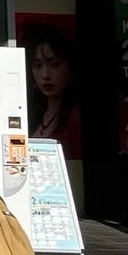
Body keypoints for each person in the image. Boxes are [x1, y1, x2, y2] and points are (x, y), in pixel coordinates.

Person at [23, 24, 81, 159]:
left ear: (70, 67)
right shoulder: (32, 114)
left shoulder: (75, 117)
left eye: (54, 64)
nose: (45, 75)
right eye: (37, 65)